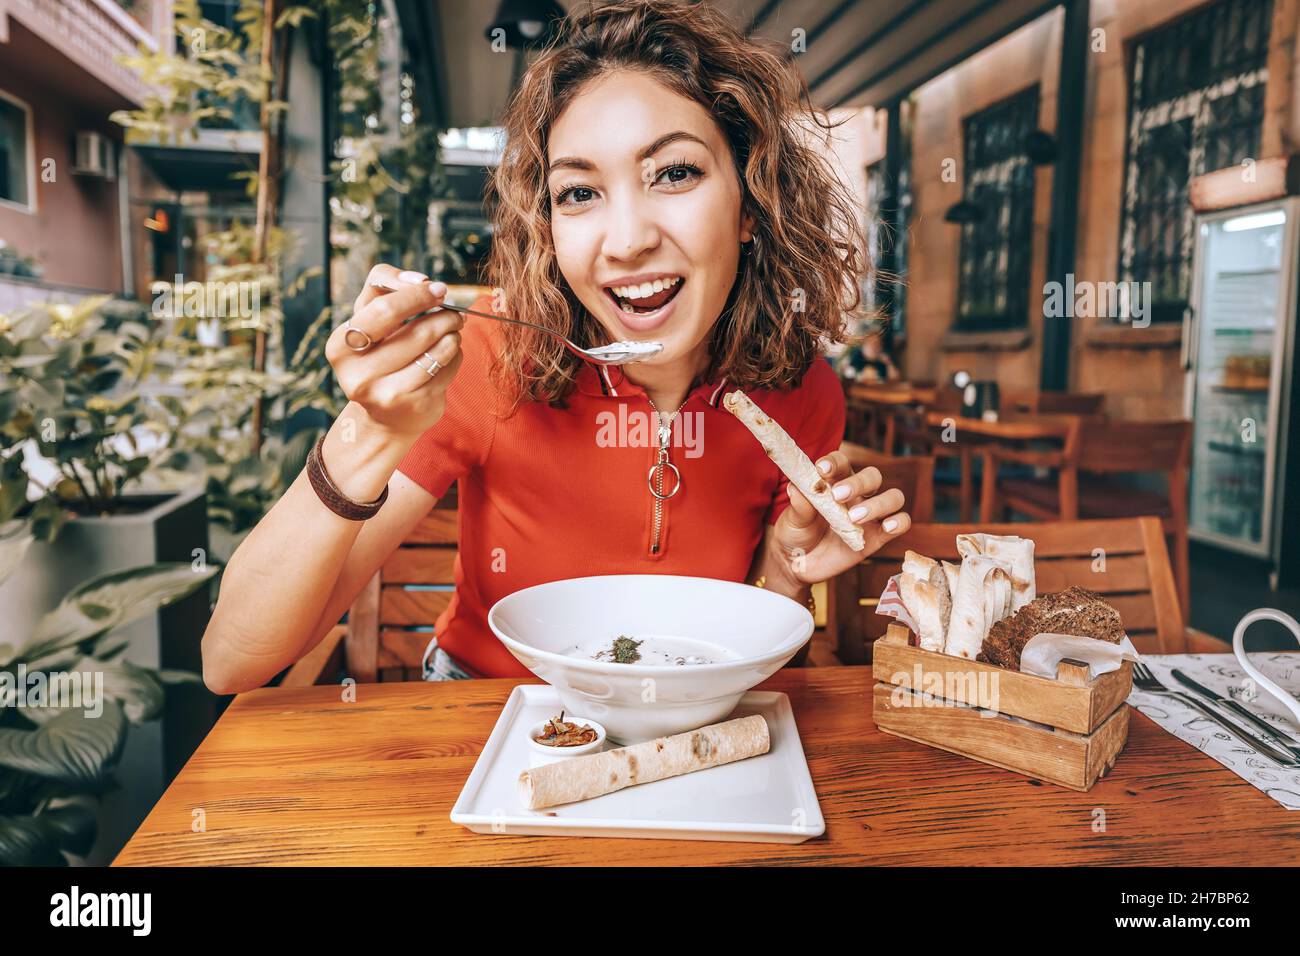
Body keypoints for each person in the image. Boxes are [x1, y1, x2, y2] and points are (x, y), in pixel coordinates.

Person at [200, 0, 911, 692]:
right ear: (548, 229)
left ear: (750, 206)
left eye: (675, 173)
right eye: (578, 193)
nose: (627, 240)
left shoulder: (802, 389)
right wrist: (370, 431)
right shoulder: (486, 355)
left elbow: (747, 654)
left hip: (689, 718)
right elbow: (236, 660)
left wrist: (783, 576)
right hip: (480, 711)